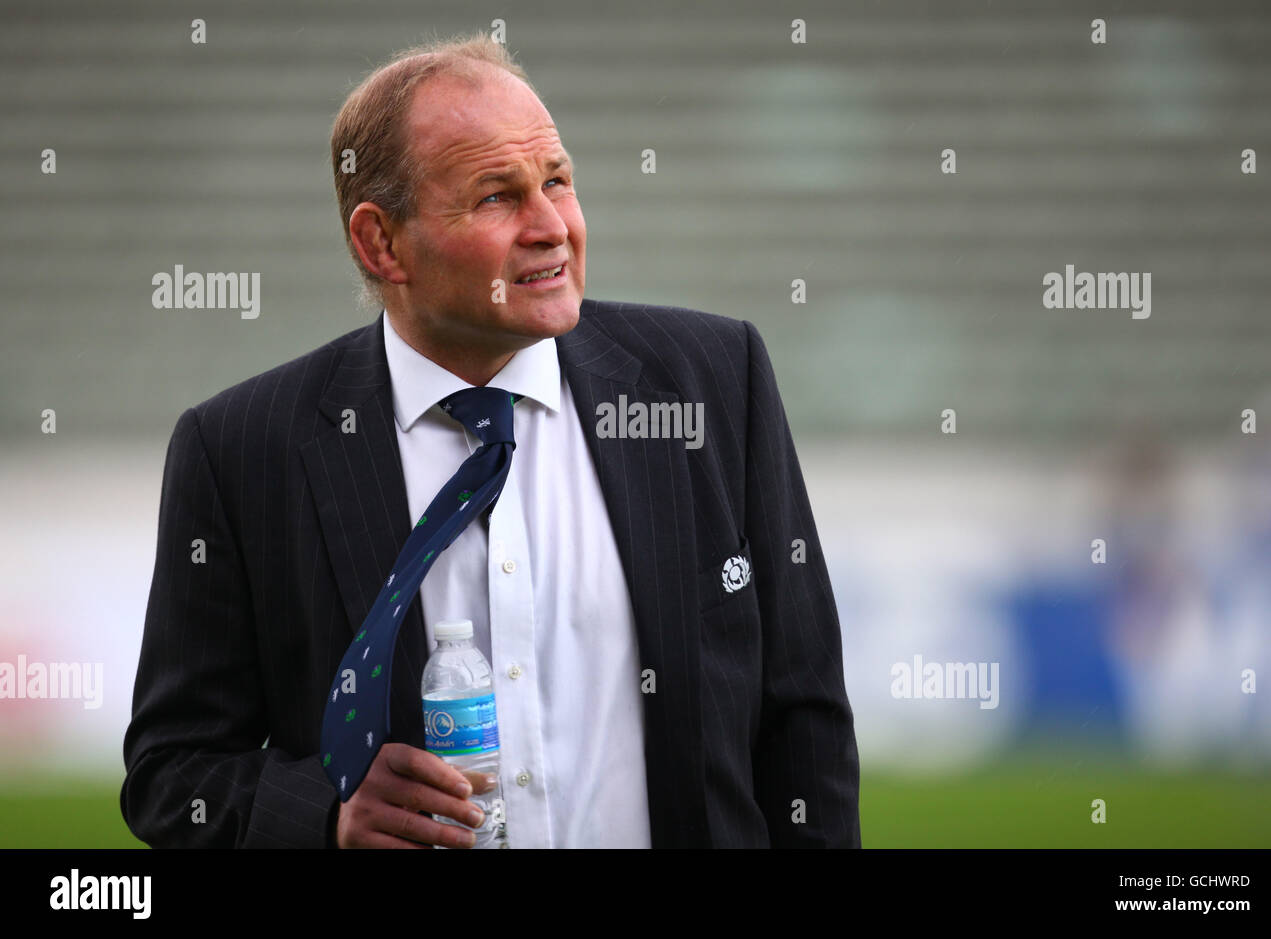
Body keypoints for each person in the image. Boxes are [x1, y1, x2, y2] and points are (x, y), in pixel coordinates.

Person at [121, 33, 859, 849]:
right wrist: (327, 819)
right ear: (382, 243)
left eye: (558, 180)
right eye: (496, 197)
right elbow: (172, 773)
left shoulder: (714, 382)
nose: (551, 227)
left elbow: (806, 720)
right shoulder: (241, 451)